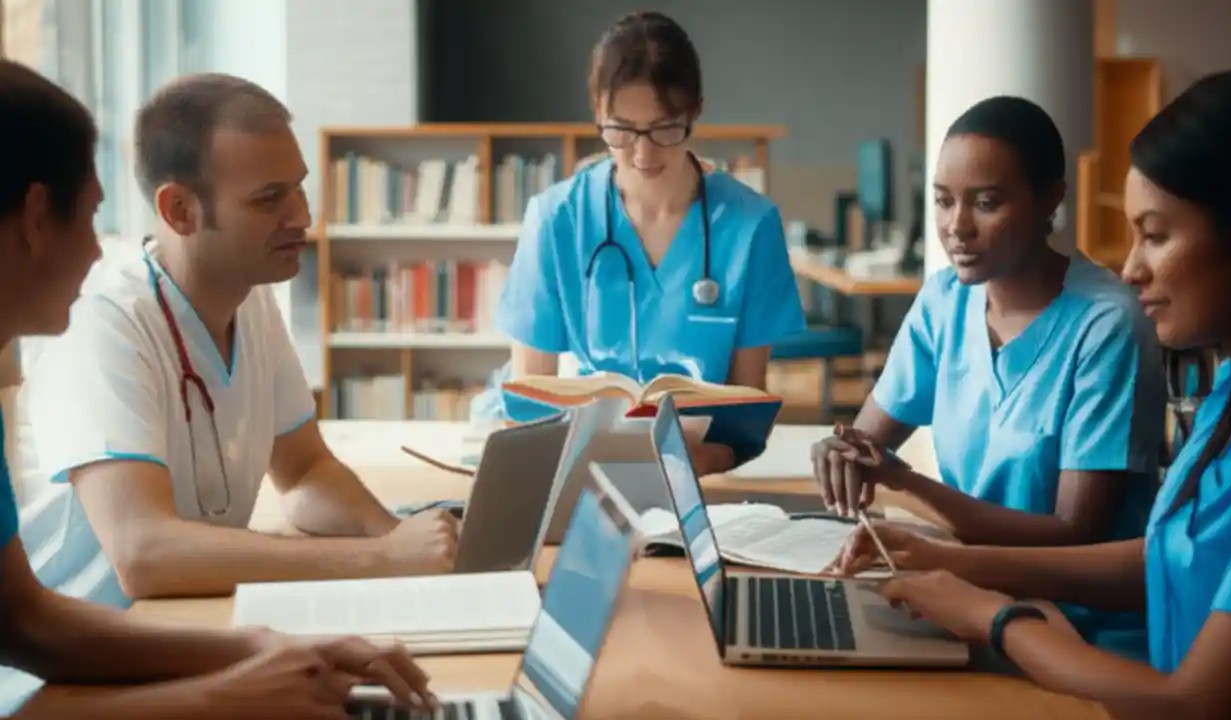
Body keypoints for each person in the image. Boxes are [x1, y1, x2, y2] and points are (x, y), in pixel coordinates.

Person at [830, 68, 1231, 719]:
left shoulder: (1113, 328)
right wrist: (952, 563)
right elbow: (1159, 560)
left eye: (1155, 235)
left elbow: (1194, 702)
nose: (1130, 268)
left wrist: (994, 616)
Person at [0, 58, 432, 720]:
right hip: (81, 681)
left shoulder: (252, 305)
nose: (302, 216)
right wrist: (377, 559)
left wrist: (394, 556)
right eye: (268, 198)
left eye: (300, 190)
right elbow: (143, 555)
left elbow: (307, 468)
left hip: (152, 645)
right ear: (178, 208)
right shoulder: (103, 319)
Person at [812, 95, 1165, 656]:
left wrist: (905, 480)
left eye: (986, 203)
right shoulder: (944, 302)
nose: (958, 227)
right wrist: (841, 451)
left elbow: (1074, 531)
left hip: (1076, 629)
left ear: (1051, 197)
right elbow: (865, 443)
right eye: (944, 202)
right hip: (970, 597)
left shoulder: (1106, 325)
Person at [490, 11, 806, 473]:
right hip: (577, 467)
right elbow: (531, 403)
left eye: (664, 128)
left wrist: (694, 462)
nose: (643, 154)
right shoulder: (556, 220)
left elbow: (745, 420)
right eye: (621, 130)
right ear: (597, 112)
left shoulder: (750, 227)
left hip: (698, 472)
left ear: (694, 111)